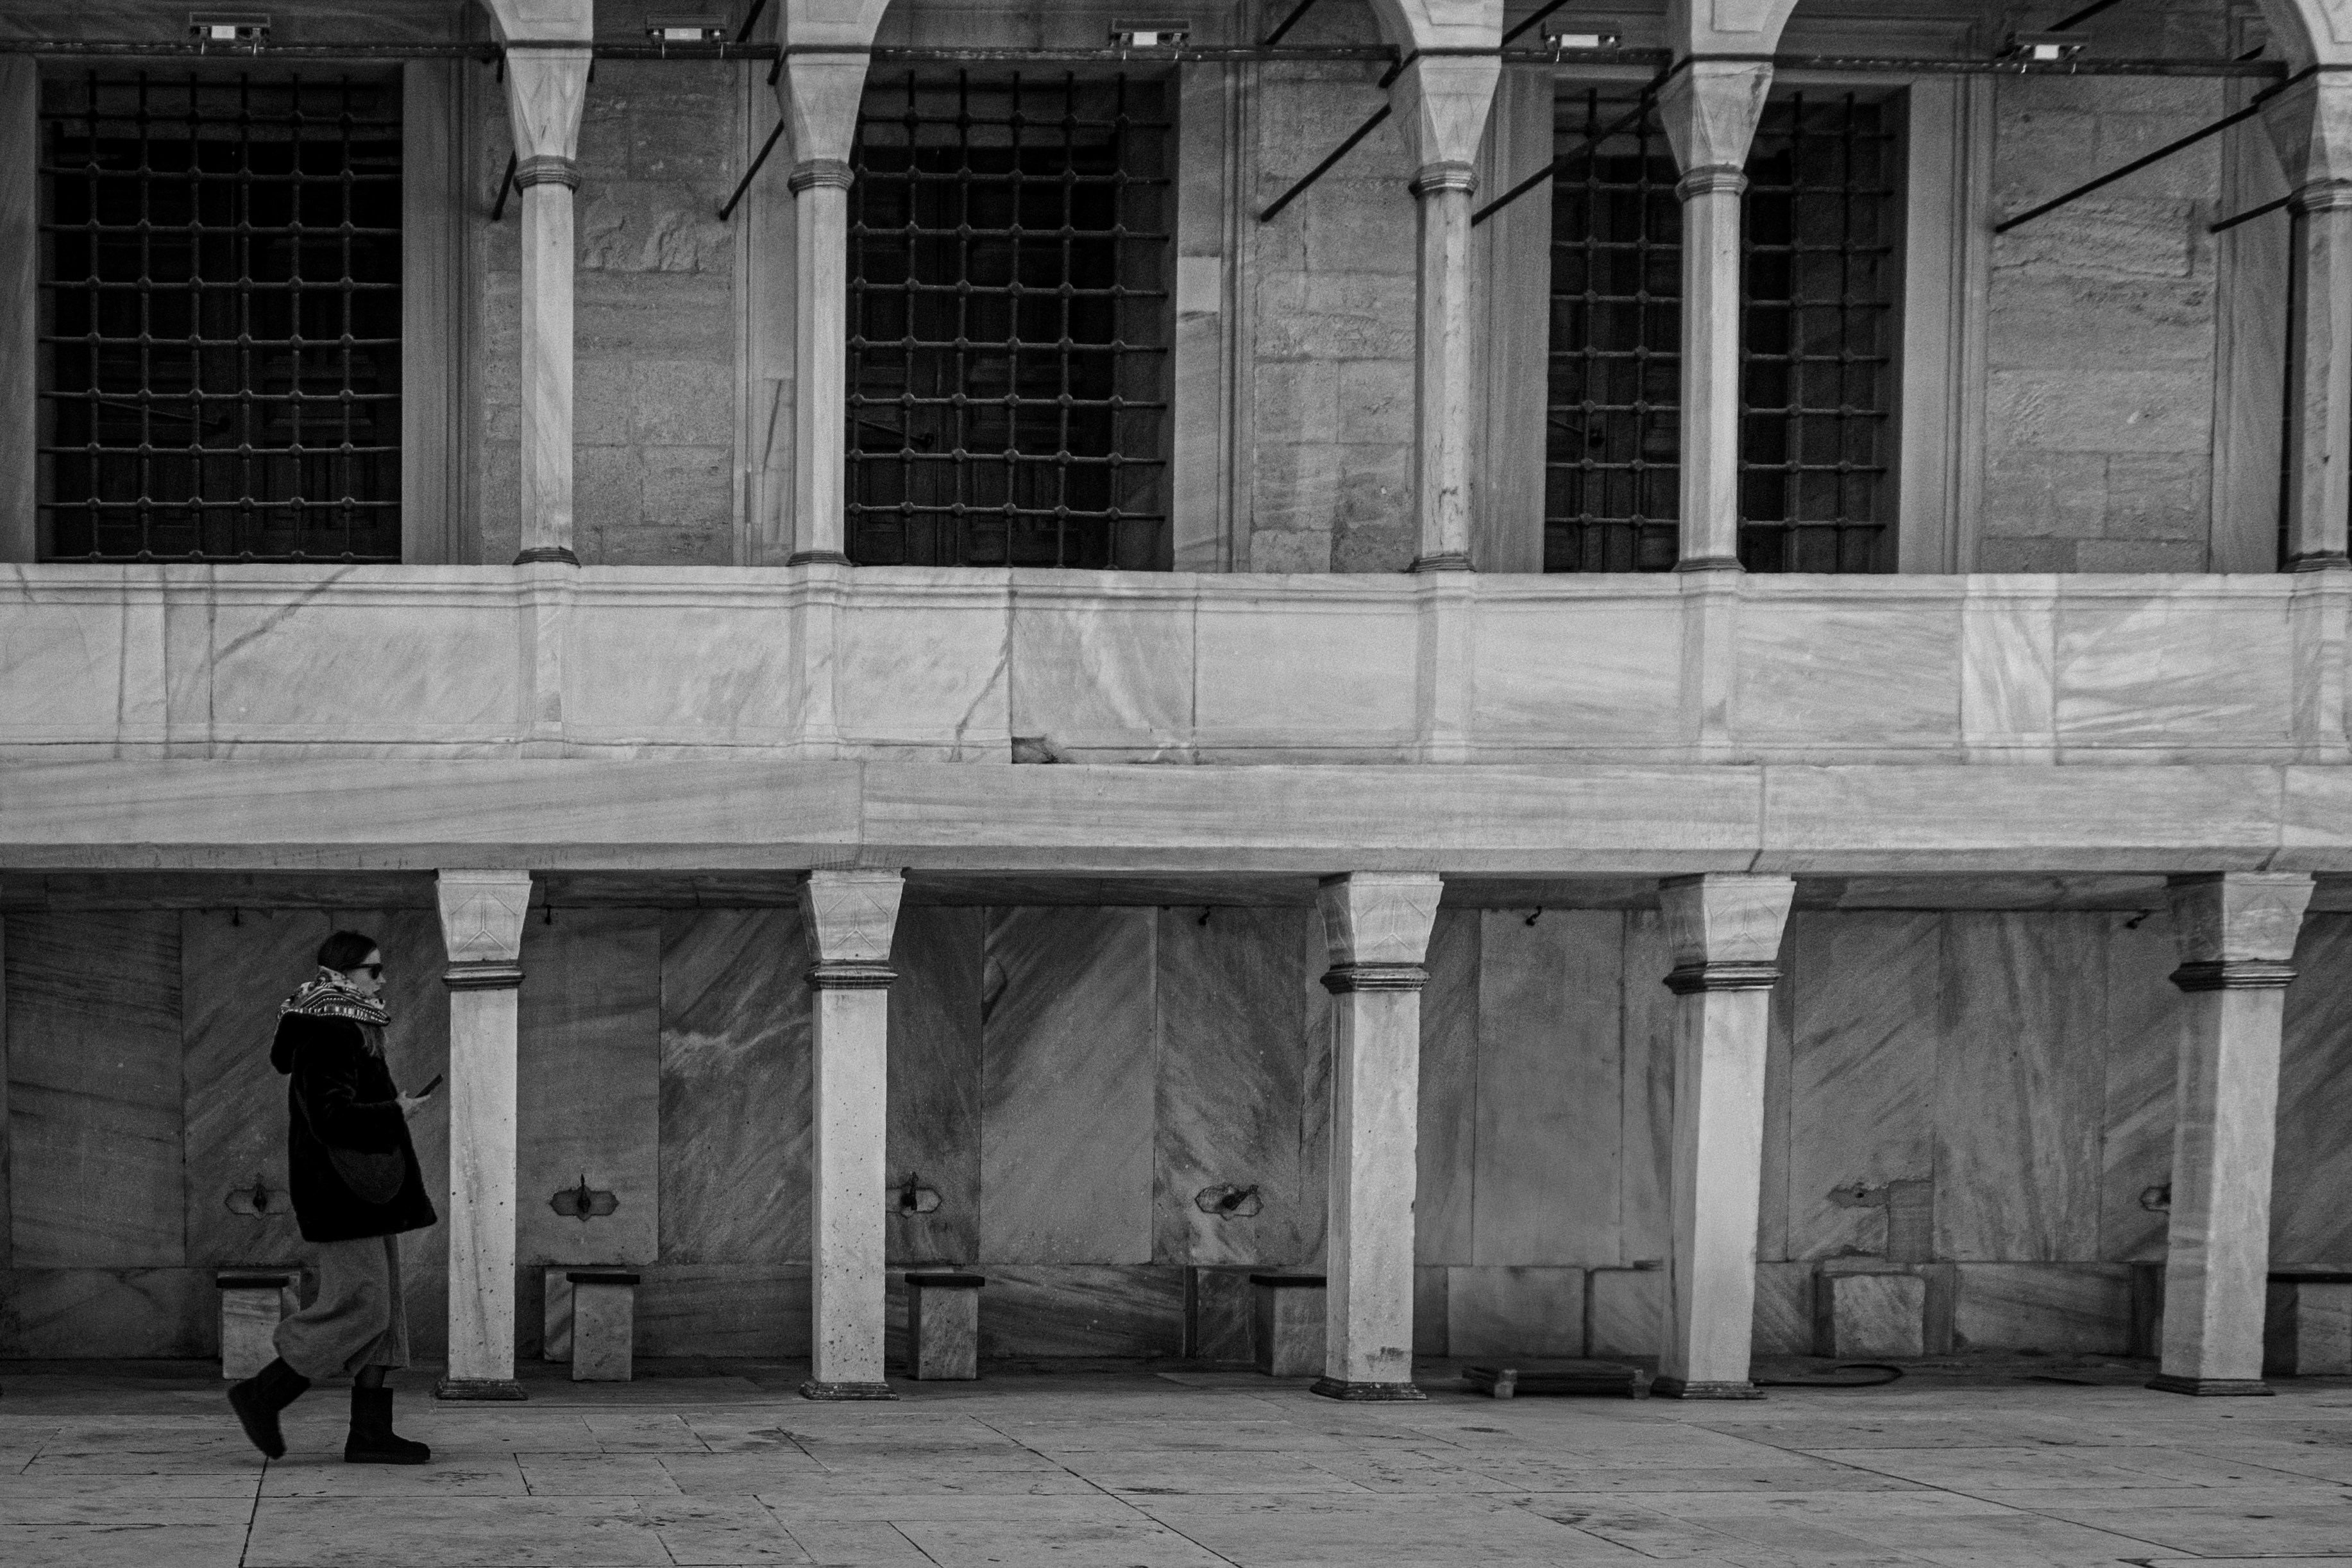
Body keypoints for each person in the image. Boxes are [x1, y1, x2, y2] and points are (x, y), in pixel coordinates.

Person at [227, 931, 438, 1464]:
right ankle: (263, 1393)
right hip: (343, 1195)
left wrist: (393, 1107)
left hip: (364, 1192)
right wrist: (397, 1112)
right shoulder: (327, 1032)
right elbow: (329, 1117)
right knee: (361, 1305)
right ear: (342, 975)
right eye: (373, 970)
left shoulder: (349, 1026)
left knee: (384, 1312)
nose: (383, 978)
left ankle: (369, 1434)